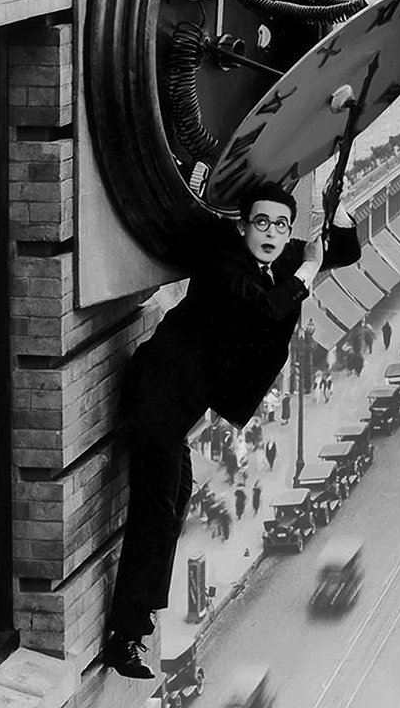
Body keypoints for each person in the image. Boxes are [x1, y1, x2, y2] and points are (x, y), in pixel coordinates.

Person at [103, 181, 361, 679]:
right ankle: (126, 635)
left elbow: (343, 251)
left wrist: (338, 205)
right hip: (156, 394)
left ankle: (143, 616)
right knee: (155, 511)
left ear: (289, 232)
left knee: (175, 498)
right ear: (243, 227)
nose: (270, 232)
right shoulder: (223, 261)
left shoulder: (279, 264)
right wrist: (307, 267)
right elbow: (264, 308)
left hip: (182, 408)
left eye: (281, 225)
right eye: (260, 222)